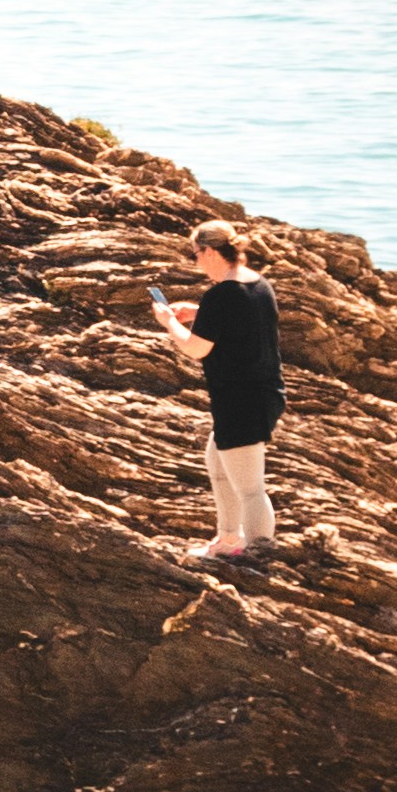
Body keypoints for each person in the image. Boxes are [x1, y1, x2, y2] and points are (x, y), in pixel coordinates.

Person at [150, 225, 284, 565]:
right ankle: (228, 539)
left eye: (196, 255)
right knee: (217, 462)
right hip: (258, 393)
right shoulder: (256, 284)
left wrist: (169, 322)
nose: (196, 263)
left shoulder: (222, 295)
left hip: (242, 400)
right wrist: (197, 313)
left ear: (210, 252)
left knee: (251, 489)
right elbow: (241, 318)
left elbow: (195, 348)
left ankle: (257, 558)